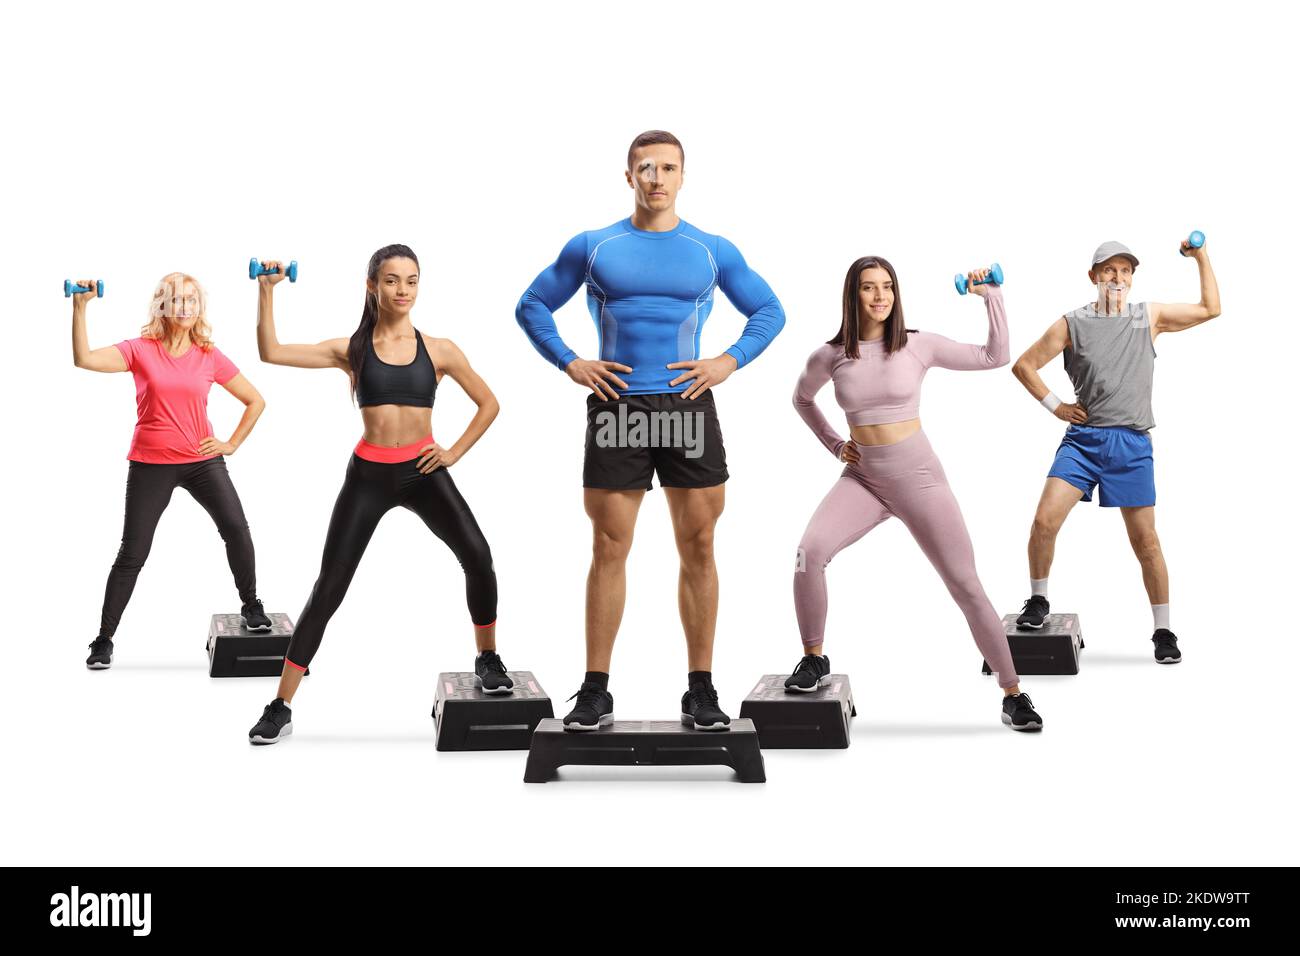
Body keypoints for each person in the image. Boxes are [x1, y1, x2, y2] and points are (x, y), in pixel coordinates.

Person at [515, 130, 785, 731]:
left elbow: (770, 311)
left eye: (668, 168)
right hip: (619, 407)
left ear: (683, 176)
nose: (657, 178)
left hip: (687, 405)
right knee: (609, 547)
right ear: (629, 176)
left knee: (701, 546)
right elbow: (532, 304)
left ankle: (701, 689)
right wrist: (571, 361)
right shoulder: (594, 246)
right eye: (646, 168)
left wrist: (726, 361)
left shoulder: (711, 250)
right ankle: (594, 690)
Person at [247, 244, 506, 745]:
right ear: (372, 286)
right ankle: (281, 704)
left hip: (424, 471)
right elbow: (271, 351)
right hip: (369, 475)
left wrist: (453, 452)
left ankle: (488, 658)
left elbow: (490, 403)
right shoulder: (352, 349)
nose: (402, 290)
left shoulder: (441, 349)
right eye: (391, 281)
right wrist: (266, 292)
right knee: (329, 589)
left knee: (478, 556)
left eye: (411, 280)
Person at [790, 257, 1042, 731]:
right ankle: (813, 658)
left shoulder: (916, 345)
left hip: (919, 477)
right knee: (809, 552)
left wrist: (990, 297)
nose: (880, 296)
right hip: (863, 479)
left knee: (966, 586)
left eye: (887, 287)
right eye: (869, 288)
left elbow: (995, 355)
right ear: (853, 295)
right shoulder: (829, 356)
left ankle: (1012, 691)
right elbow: (802, 398)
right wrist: (833, 443)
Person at [1011, 237, 1221, 663]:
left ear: (1132, 278)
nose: (1117, 278)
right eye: (1109, 270)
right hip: (1083, 444)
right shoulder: (1072, 323)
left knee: (1145, 541)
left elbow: (1210, 308)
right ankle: (1038, 600)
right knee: (1043, 521)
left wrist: (1200, 256)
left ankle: (1163, 631)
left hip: (1132, 445)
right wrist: (1058, 408)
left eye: (1125, 271)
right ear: (1094, 277)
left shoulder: (1149, 317)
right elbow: (1024, 365)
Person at [74, 273, 272, 669]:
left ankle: (251, 605)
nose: (185, 307)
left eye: (192, 300)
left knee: (236, 527)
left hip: (202, 460)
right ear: (162, 306)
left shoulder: (209, 355)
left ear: (200, 307)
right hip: (151, 463)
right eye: (177, 300)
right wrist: (79, 308)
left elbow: (256, 401)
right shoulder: (139, 349)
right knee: (133, 552)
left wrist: (230, 444)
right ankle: (103, 639)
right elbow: (85, 359)